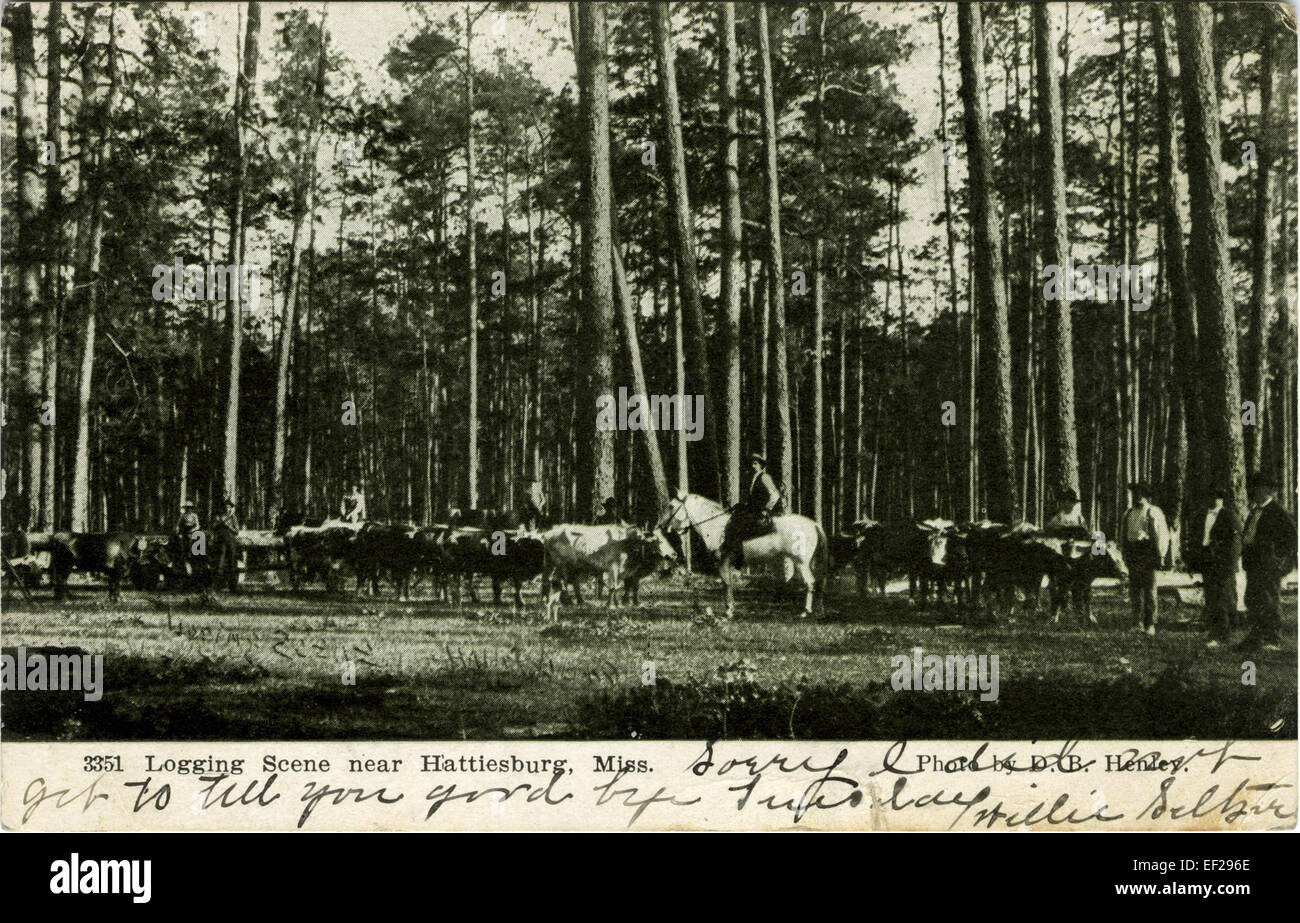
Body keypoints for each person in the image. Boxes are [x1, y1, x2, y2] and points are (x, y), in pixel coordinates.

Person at [1240, 477, 1295, 651]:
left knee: (1270, 600)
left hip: (1269, 565)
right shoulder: (1255, 511)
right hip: (1253, 563)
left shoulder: (1278, 512)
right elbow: (1248, 535)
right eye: (1254, 488)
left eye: (1259, 488)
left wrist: (1280, 561)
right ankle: (1256, 637)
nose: (1255, 492)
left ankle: (1272, 639)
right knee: (1253, 599)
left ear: (1268, 491)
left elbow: (1292, 539)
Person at [1187, 490, 1240, 647]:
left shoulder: (1229, 517)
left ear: (1222, 500)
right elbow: (1195, 540)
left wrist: (1230, 564)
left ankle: (1222, 633)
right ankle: (1214, 631)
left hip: (1222, 563)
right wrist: (1193, 562)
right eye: (1211, 496)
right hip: (1207, 561)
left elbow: (1235, 544)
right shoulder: (1201, 516)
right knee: (1211, 597)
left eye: (1217, 498)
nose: (1214, 500)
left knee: (1222, 598)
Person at [1119, 482, 1170, 636]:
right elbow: (1123, 535)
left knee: (1150, 590)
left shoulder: (1154, 512)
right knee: (1135, 590)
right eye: (1135, 493)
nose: (1138, 496)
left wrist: (1160, 555)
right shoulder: (1128, 513)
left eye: (1141, 493)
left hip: (1148, 553)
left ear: (1147, 496)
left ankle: (1150, 623)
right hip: (1133, 553)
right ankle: (1137, 622)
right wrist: (1124, 553)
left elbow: (1161, 535)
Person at [721, 454, 783, 564]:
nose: (753, 466)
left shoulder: (764, 477)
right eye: (752, 464)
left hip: (762, 511)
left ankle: (740, 557)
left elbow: (775, 495)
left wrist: (766, 509)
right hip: (754, 509)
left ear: (760, 465)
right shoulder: (753, 478)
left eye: (755, 463)